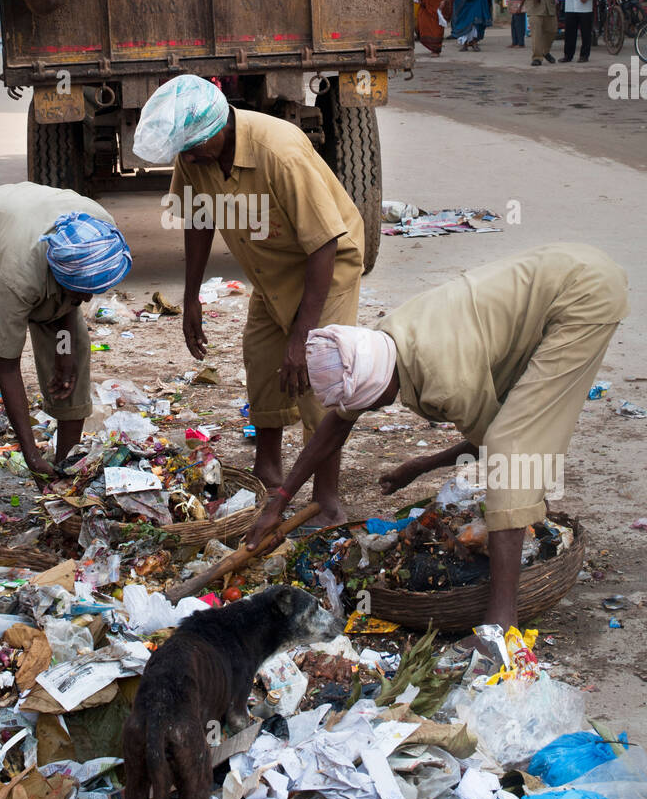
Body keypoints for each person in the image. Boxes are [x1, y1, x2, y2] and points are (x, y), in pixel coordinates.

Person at [246, 243, 628, 630]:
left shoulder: (446, 380)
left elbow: (494, 444)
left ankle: (500, 622)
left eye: (372, 404)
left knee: (516, 448)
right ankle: (513, 552)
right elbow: (337, 425)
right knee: (513, 431)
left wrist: (423, 464)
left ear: (381, 386)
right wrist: (278, 501)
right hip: (554, 278)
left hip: (583, 296)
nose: (372, 411)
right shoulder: (377, 345)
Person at [133, 75, 365, 527]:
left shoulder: (280, 152)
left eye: (195, 148)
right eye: (185, 152)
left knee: (320, 377)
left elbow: (324, 245)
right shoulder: (194, 151)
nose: (190, 158)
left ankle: (327, 500)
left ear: (218, 128)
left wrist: (302, 336)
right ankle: (267, 473)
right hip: (271, 270)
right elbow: (198, 220)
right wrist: (192, 296)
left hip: (325, 267)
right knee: (262, 362)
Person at [0, 183, 132, 509]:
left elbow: (70, 300)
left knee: (76, 351)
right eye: (80, 292)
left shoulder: (99, 232)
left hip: (20, 240)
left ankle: (65, 474)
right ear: (59, 276)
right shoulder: (18, 276)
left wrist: (64, 356)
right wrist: (30, 452)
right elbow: (7, 365)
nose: (86, 300)